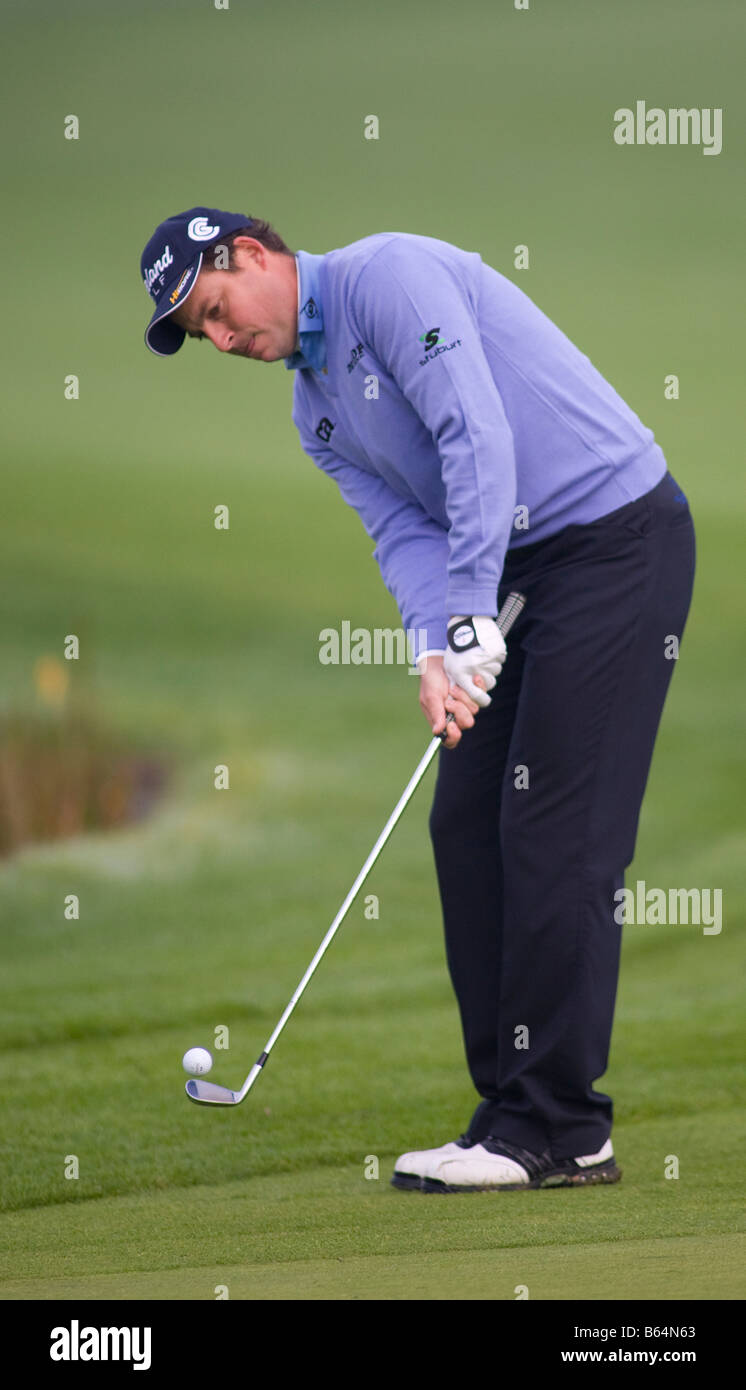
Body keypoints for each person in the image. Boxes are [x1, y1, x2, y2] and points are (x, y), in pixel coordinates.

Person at [140, 207, 696, 1192]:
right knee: (464, 824)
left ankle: (562, 1129)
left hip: (611, 543)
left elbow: (470, 427)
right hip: (511, 576)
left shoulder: (386, 279)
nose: (222, 339)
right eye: (200, 333)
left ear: (255, 256)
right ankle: (507, 1115)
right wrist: (435, 646)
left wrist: (472, 602)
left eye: (217, 308)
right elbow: (401, 531)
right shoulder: (314, 410)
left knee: (552, 831)